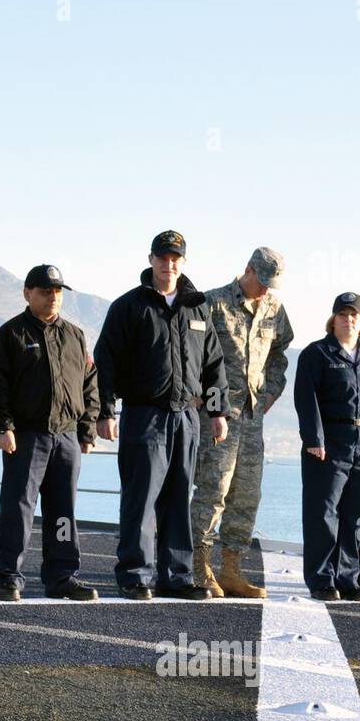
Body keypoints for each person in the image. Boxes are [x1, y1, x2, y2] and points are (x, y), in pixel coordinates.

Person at [94, 230, 228, 600]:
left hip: (186, 417)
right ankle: (136, 574)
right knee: (141, 496)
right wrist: (105, 411)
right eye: (163, 258)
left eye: (176, 259)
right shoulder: (129, 306)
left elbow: (214, 364)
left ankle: (177, 575)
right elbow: (106, 362)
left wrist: (217, 410)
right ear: (151, 259)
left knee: (179, 495)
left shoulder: (198, 308)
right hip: (144, 415)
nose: (169, 265)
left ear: (183, 263)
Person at [0, 264, 99, 601]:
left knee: (63, 510)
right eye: (46, 291)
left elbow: (90, 384)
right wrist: (2, 426)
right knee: (18, 507)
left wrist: (87, 430)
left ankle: (62, 575)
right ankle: (8, 574)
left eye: (58, 291)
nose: (53, 297)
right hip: (26, 437)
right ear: (27, 293)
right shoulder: (9, 335)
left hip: (66, 437)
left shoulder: (75, 335)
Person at [191, 247, 294, 599]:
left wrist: (273, 390)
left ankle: (231, 569)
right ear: (248, 270)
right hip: (218, 415)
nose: (265, 289)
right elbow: (194, 355)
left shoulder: (274, 308)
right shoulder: (213, 303)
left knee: (247, 494)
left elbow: (280, 353)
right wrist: (204, 399)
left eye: (271, 284)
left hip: (253, 417)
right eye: (262, 281)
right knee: (212, 491)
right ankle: (199, 565)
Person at [294, 293, 360, 600]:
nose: (348, 319)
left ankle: (348, 576)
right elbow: (306, 399)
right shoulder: (317, 354)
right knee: (323, 514)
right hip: (329, 444)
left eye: (354, 315)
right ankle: (322, 578)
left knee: (359, 515)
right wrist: (314, 440)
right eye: (342, 314)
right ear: (333, 319)